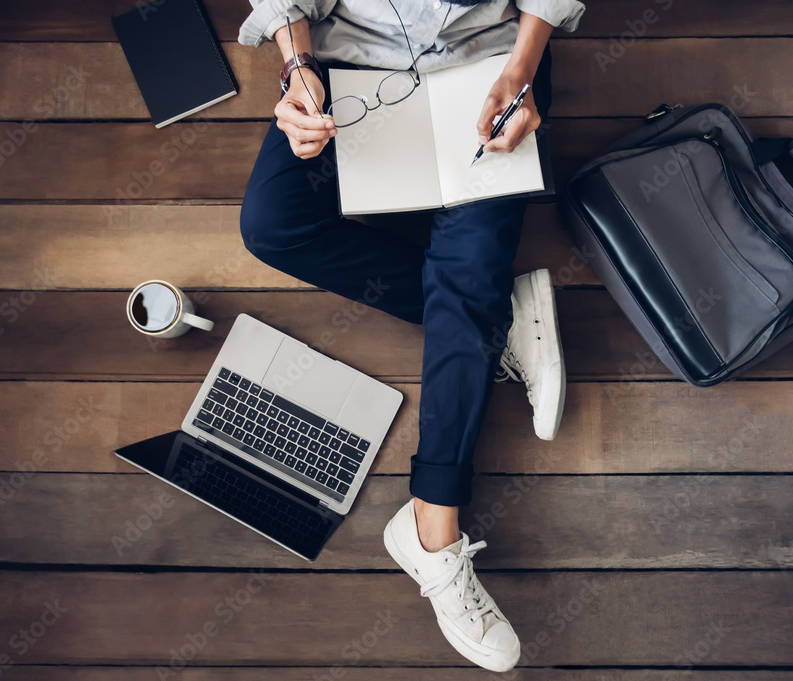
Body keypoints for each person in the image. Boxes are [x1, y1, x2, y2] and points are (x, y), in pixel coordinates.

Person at [238, 0, 584, 672]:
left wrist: (524, 64)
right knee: (271, 223)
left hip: (489, 66)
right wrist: (298, 65)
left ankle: (432, 524)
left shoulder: (506, 66)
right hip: (350, 66)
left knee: (471, 264)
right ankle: (493, 312)